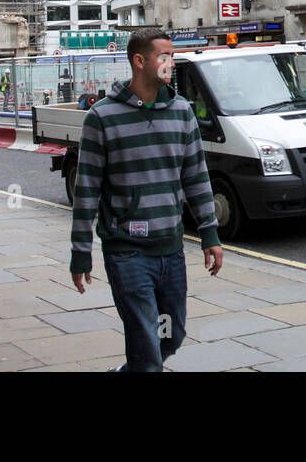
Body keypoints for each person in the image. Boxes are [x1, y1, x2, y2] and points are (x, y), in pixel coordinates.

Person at [69, 27, 224, 372]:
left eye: (172, 56)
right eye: (163, 56)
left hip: (171, 248)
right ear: (139, 61)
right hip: (127, 251)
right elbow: (87, 191)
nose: (171, 62)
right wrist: (81, 254)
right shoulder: (102, 118)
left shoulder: (182, 112)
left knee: (173, 335)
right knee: (146, 348)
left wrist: (209, 234)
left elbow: (196, 177)